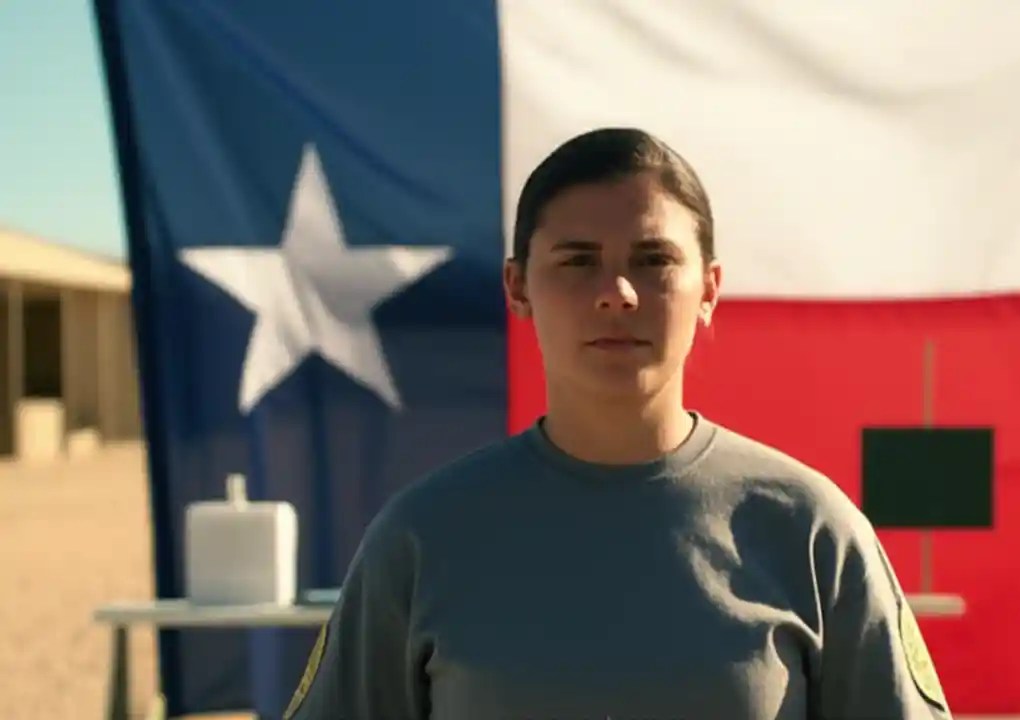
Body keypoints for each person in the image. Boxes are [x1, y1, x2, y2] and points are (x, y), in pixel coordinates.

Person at [282, 127, 953, 720]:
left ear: (710, 288)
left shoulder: (810, 532)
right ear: (517, 288)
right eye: (578, 261)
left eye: (654, 261)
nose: (618, 292)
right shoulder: (421, 540)